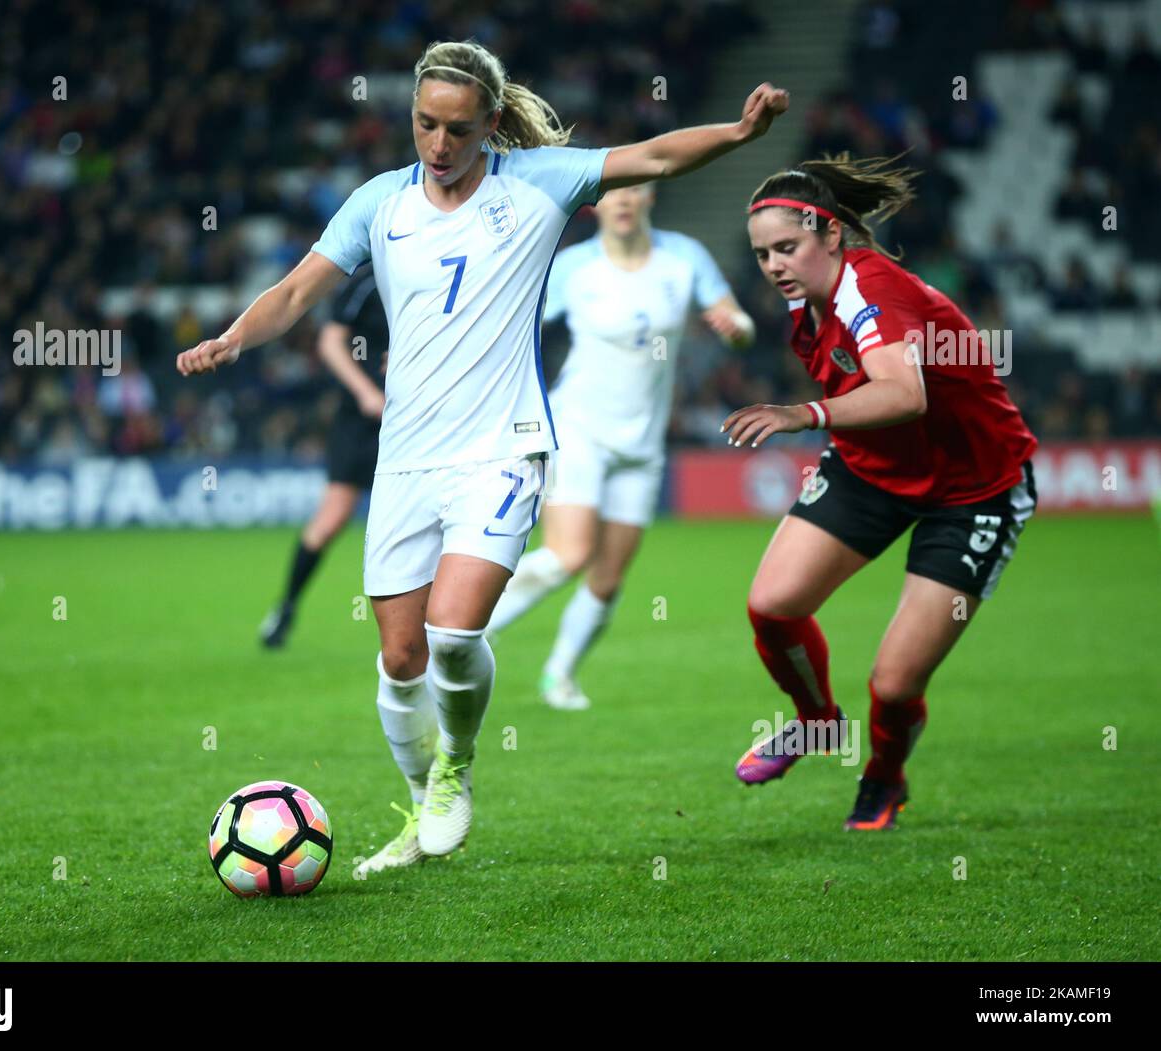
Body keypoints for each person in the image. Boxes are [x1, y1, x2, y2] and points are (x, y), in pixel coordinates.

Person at [178, 38, 788, 875]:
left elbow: (650, 154)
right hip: (405, 459)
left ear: (491, 124)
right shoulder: (378, 204)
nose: (437, 146)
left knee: (453, 631)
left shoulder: (540, 183)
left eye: (457, 130)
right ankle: (420, 792)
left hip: (502, 449)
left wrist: (740, 135)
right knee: (399, 658)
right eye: (425, 124)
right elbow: (293, 293)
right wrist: (233, 339)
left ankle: (457, 768)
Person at [723, 154, 1038, 830]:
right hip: (872, 469)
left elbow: (903, 392)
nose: (775, 265)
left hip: (974, 488)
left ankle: (885, 778)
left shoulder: (871, 289)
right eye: (762, 254)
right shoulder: (805, 308)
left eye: (788, 247)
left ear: (831, 236)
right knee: (773, 605)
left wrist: (801, 415)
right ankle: (818, 723)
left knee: (894, 683)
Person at [486, 182, 755, 709]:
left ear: (651, 196)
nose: (625, 200)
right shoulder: (574, 268)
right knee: (569, 555)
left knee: (607, 578)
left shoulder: (683, 257)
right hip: (577, 429)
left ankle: (558, 676)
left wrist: (736, 327)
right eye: (614, 192)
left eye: (635, 190)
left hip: (643, 444)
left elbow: (738, 322)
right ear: (597, 204)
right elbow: (514, 325)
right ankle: (464, 631)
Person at [260, 262, 387, 648]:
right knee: (331, 520)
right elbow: (330, 343)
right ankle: (286, 607)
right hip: (363, 419)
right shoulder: (368, 281)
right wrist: (366, 392)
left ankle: (453, 624)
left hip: (420, 415)